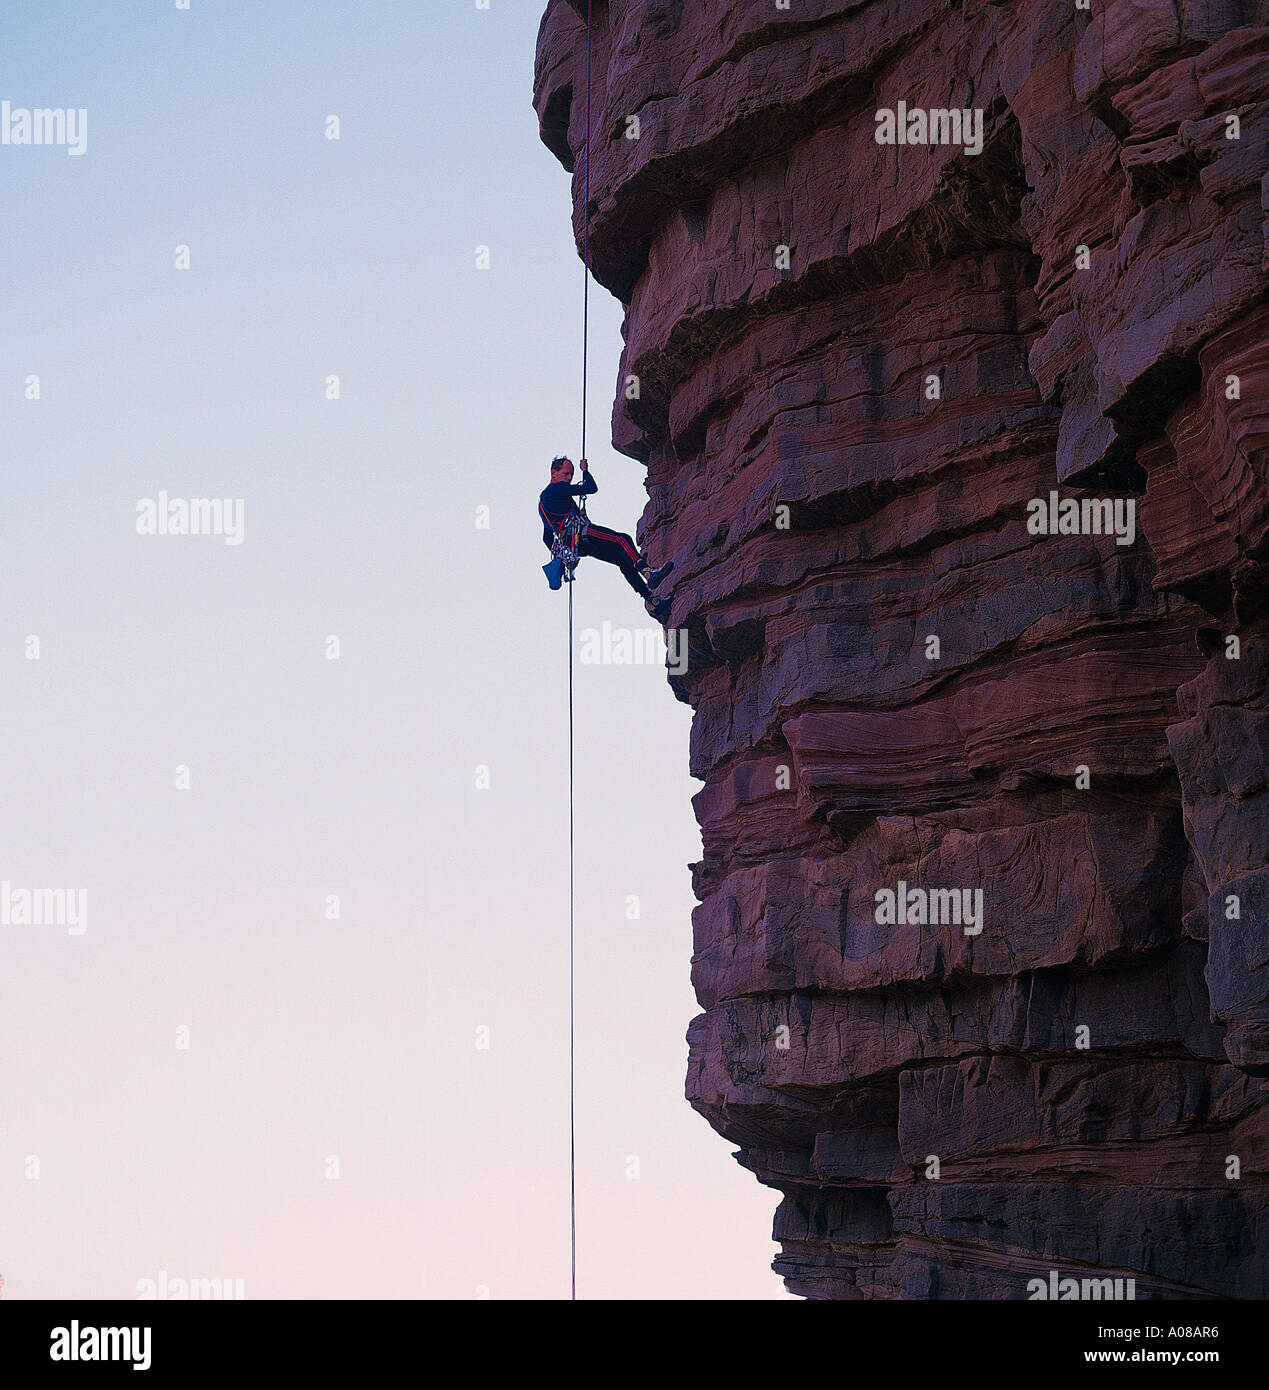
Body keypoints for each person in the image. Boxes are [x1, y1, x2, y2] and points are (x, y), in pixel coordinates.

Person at [538, 455, 674, 621]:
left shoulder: (542, 504)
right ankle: (647, 571)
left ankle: (651, 600)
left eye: (571, 475)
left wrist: (562, 556)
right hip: (583, 533)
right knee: (622, 540)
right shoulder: (555, 489)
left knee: (623, 561)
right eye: (566, 474)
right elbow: (591, 487)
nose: (569, 478)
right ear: (554, 473)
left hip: (579, 547)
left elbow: (546, 537)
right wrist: (585, 470)